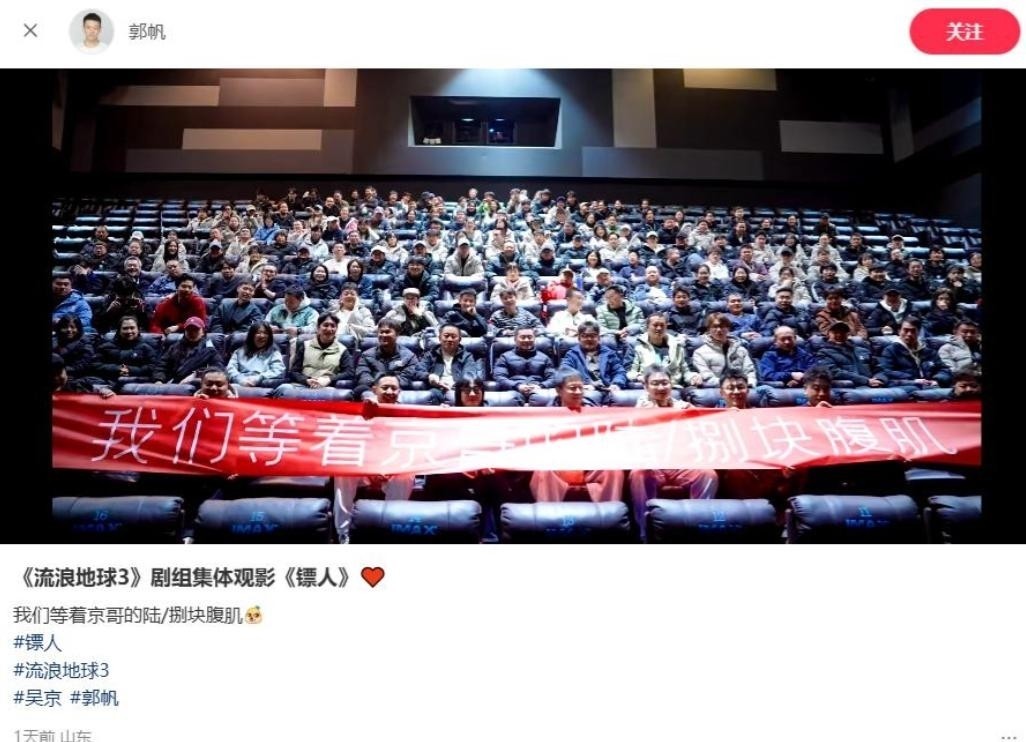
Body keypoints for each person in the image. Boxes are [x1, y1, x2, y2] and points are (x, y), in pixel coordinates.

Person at [628, 365, 717, 541]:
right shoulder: (637, 411)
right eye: (655, 384)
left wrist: (729, 414)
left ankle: (698, 525)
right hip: (652, 465)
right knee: (638, 474)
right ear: (646, 387)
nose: (661, 387)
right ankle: (644, 531)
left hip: (681, 463)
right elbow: (631, 439)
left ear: (671, 384)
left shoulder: (683, 407)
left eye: (665, 383)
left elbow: (706, 425)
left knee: (708, 475)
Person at [333, 374, 416, 542]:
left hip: (392, 468)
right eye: (385, 388)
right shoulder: (362, 411)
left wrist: (442, 414)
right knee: (343, 471)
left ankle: (392, 530)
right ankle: (343, 533)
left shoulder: (407, 415)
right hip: (364, 468)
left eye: (394, 388)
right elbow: (350, 444)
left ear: (399, 392)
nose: (390, 392)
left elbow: (410, 449)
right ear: (374, 390)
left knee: (406, 474)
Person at [529, 371, 625, 503]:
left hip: (591, 464)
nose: (578, 392)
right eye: (573, 388)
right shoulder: (545, 415)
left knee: (613, 471)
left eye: (581, 388)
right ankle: (549, 514)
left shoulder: (596, 412)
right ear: (559, 390)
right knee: (543, 471)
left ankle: (609, 513)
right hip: (558, 465)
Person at [279, 313, 354, 391]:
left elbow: (349, 373)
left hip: (327, 388)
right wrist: (306, 380)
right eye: (325, 325)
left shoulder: (342, 350)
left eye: (333, 326)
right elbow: (294, 372)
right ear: (318, 328)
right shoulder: (305, 345)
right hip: (303, 385)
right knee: (283, 388)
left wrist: (329, 379)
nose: (329, 329)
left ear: (336, 329)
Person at [558, 320, 627, 404]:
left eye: (593, 336)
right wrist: (582, 385)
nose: (589, 339)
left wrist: (616, 384)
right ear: (579, 338)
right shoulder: (572, 354)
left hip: (608, 390)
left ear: (599, 338)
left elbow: (620, 371)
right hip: (587, 391)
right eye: (585, 336)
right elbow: (565, 371)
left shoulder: (609, 353)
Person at [353, 318, 419, 400]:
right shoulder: (366, 355)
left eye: (387, 332)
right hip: (373, 391)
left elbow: (406, 379)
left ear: (397, 334)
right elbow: (363, 375)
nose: (383, 335)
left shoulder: (409, 356)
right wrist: (380, 389)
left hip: (398, 392)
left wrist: (388, 387)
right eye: (381, 332)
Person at [414, 324, 483, 403]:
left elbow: (469, 374)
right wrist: (429, 376)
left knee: (454, 397)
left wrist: (454, 385)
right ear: (439, 338)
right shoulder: (430, 355)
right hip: (436, 389)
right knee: (431, 396)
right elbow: (418, 371)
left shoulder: (467, 356)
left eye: (453, 337)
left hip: (457, 390)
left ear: (459, 339)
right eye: (446, 336)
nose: (450, 339)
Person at [628, 313, 700, 388]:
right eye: (655, 325)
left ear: (666, 327)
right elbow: (630, 372)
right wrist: (640, 377)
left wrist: (693, 377)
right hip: (649, 387)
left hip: (675, 387)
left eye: (662, 325)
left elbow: (686, 371)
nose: (659, 328)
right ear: (647, 327)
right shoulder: (637, 345)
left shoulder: (677, 345)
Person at [878, 317, 949, 388]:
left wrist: (937, 380)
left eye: (913, 331)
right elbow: (887, 372)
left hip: (931, 387)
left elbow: (945, 370)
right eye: (906, 330)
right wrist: (913, 381)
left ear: (919, 332)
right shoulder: (890, 351)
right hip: (907, 387)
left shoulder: (929, 351)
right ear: (899, 331)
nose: (909, 334)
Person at [492, 327, 556, 405]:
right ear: (515, 339)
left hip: (539, 391)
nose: (526, 340)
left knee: (539, 397)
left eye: (530, 337)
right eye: (523, 337)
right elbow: (499, 377)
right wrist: (517, 386)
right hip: (514, 391)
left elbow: (553, 378)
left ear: (534, 339)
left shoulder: (544, 358)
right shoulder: (505, 357)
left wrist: (541, 386)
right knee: (513, 398)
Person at [691, 313, 757, 387]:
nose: (719, 330)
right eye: (715, 327)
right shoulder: (699, 353)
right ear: (709, 330)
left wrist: (750, 383)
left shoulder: (741, 350)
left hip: (742, 388)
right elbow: (707, 378)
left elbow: (750, 372)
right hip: (716, 389)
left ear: (728, 328)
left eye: (722, 326)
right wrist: (730, 385)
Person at [814, 321, 887, 387]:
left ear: (848, 334)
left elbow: (880, 368)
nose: (839, 335)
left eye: (843, 332)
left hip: (873, 386)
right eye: (835, 332)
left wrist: (879, 379)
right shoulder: (823, 353)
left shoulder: (863, 351)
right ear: (828, 334)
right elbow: (834, 372)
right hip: (849, 388)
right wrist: (866, 381)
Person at [153, 316, 223, 385]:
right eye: (189, 329)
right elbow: (162, 365)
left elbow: (218, 370)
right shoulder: (174, 347)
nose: (192, 332)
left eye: (195, 330)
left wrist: (196, 375)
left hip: (196, 384)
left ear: (203, 332)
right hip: (172, 384)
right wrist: (159, 380)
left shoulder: (209, 350)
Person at [94, 315, 158, 387]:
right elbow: (95, 365)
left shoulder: (146, 347)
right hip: (108, 381)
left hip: (136, 383)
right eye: (125, 328)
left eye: (132, 328)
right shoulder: (105, 347)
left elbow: (152, 367)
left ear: (138, 329)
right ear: (119, 330)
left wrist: (130, 370)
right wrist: (117, 369)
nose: (129, 331)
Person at [226, 322, 286, 388]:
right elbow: (230, 369)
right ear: (251, 335)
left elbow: (278, 370)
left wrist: (258, 378)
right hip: (240, 383)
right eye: (258, 333)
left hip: (263, 384)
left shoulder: (274, 352)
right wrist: (240, 380)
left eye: (265, 333)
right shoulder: (238, 352)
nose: (262, 336)